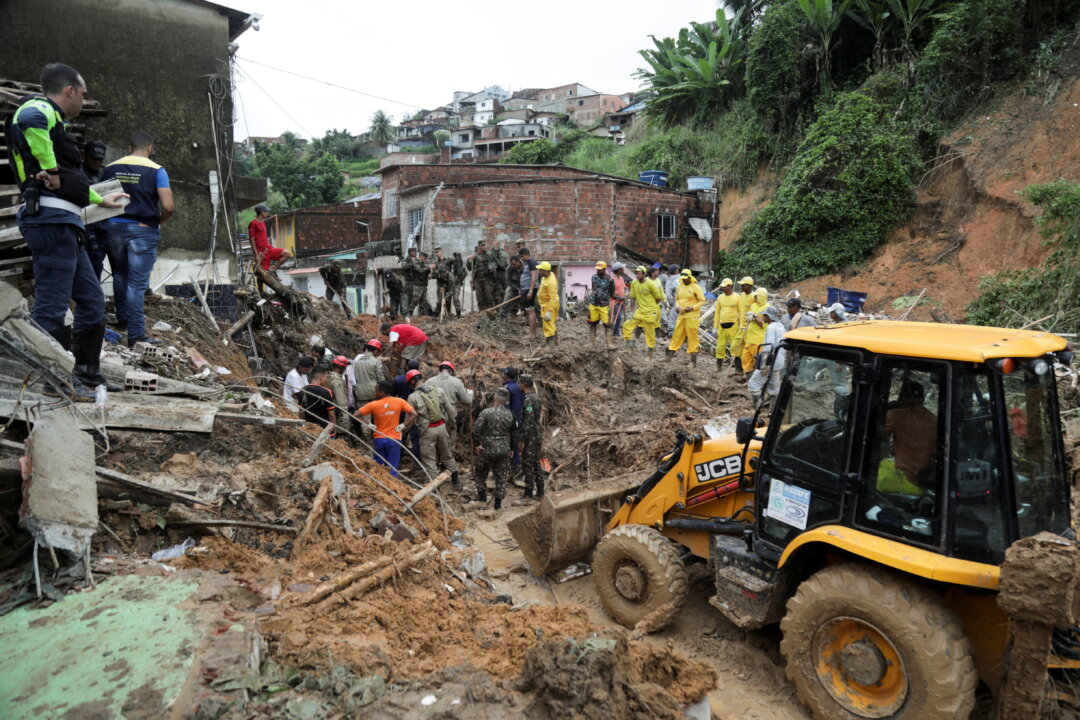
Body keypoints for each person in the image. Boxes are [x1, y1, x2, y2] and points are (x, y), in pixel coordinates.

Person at [6, 63, 128, 399]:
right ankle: (55, 382)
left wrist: (101, 199)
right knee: (52, 305)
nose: (83, 101)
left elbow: (72, 185)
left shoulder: (57, 123)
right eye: (82, 94)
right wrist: (51, 169)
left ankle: (87, 375)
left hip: (66, 224)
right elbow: (29, 121)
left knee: (91, 301)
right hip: (49, 221)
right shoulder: (39, 108)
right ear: (70, 90)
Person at [356, 380, 417, 477]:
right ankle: (393, 483)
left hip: (379, 438)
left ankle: (380, 483)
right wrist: (403, 425)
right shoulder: (399, 401)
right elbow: (414, 414)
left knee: (379, 467)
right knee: (392, 467)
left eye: (376, 390)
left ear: (382, 392)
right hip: (394, 439)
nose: (375, 392)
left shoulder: (373, 404)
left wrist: (369, 424)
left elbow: (357, 414)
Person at [406, 369, 459, 484]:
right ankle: (456, 480)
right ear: (421, 378)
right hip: (442, 427)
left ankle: (435, 488)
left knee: (429, 460)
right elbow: (451, 411)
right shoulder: (438, 390)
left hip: (427, 431)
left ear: (411, 382)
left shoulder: (412, 397)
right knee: (447, 455)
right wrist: (452, 423)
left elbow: (409, 419)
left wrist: (402, 431)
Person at [884, 381, 937, 490]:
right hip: (924, 481)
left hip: (902, 478)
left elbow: (876, 436)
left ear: (902, 398)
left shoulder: (896, 416)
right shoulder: (933, 420)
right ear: (922, 399)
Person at [472, 387, 516, 509]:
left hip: (488, 449)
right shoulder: (511, 414)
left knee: (479, 472)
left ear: (495, 398)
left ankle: (482, 498)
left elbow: (476, 430)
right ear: (506, 401)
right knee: (501, 476)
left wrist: (477, 445)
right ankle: (497, 504)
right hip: (504, 450)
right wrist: (511, 448)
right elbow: (514, 433)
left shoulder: (486, 413)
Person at [425, 360, 473, 446]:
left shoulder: (429, 381)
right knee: (449, 443)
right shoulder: (456, 382)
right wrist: (470, 394)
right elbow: (467, 401)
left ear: (440, 370)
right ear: (450, 371)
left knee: (433, 443)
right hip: (449, 416)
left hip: (432, 416)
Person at [747, 306, 787, 407]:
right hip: (779, 361)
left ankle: (757, 407)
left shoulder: (770, 328)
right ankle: (772, 410)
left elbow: (769, 347)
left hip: (770, 361)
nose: (762, 317)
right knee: (774, 388)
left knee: (753, 384)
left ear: (768, 316)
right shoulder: (781, 326)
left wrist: (765, 365)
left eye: (764, 316)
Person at [622, 265, 666, 355]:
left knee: (649, 332)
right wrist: (632, 311)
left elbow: (658, 298)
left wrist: (652, 307)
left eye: (639, 274)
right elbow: (632, 297)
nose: (637, 275)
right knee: (627, 325)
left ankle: (650, 352)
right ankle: (629, 346)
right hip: (640, 311)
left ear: (644, 274)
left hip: (650, 311)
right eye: (636, 274)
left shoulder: (650, 284)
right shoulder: (634, 283)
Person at [81, 140, 109, 279]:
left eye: (100, 159)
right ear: (86, 155)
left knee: (98, 262)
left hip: (102, 223)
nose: (97, 162)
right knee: (92, 261)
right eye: (94, 158)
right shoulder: (78, 172)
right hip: (85, 223)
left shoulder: (105, 173)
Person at [666, 269, 706, 364]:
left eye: (686, 278)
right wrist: (677, 307)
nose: (684, 280)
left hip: (692, 316)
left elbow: (702, 300)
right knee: (676, 334)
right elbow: (677, 299)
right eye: (683, 278)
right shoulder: (680, 286)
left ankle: (693, 362)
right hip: (682, 315)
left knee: (692, 337)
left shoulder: (696, 287)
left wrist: (693, 307)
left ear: (690, 277)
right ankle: (669, 357)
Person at [249, 204, 291, 285]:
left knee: (287, 254)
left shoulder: (263, 223)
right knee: (261, 274)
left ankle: (273, 269)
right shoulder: (253, 223)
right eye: (266, 212)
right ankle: (261, 291)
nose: (267, 213)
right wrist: (256, 255)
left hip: (268, 249)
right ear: (262, 212)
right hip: (261, 252)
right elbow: (251, 240)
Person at [517, 374, 544, 498]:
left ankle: (528, 493)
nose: (519, 385)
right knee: (536, 463)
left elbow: (528, 422)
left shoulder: (528, 400)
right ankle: (540, 491)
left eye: (520, 383)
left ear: (523, 385)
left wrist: (522, 440)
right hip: (537, 434)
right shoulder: (536, 397)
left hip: (530, 437)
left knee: (527, 464)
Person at [349, 339, 391, 416]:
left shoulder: (357, 361)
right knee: (378, 415)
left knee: (364, 417)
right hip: (374, 392)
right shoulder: (376, 362)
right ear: (375, 351)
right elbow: (381, 380)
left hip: (360, 393)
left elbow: (355, 378)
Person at [712, 278, 741, 370]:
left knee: (734, 347)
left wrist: (740, 326)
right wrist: (715, 327)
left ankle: (737, 369)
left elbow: (741, 312)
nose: (723, 289)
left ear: (730, 286)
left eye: (725, 287)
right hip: (722, 326)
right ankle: (719, 367)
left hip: (733, 326)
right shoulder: (720, 298)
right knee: (720, 347)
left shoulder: (737, 297)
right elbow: (717, 313)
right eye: (722, 287)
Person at [741, 288, 771, 374]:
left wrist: (754, 316)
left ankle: (757, 378)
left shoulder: (767, 308)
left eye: (756, 296)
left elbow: (762, 324)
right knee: (745, 358)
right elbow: (749, 318)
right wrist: (748, 317)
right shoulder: (753, 305)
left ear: (761, 297)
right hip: (749, 338)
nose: (754, 298)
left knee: (758, 361)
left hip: (758, 340)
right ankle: (747, 376)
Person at [587, 261, 615, 348]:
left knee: (607, 325)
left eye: (600, 270)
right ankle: (591, 343)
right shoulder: (593, 277)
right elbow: (593, 288)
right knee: (592, 324)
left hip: (604, 305)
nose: (598, 271)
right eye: (597, 269)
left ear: (604, 269)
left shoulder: (610, 279)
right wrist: (593, 297)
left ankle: (609, 344)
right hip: (594, 304)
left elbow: (612, 293)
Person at [732, 276, 755, 369]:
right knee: (735, 347)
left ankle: (747, 370)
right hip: (741, 327)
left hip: (749, 328)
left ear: (749, 286)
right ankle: (738, 369)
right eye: (741, 285)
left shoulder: (754, 297)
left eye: (743, 285)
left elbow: (756, 310)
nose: (741, 287)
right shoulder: (742, 295)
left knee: (748, 350)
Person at [327, 355, 351, 435]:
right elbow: (341, 402)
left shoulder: (328, 376)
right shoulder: (337, 381)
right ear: (341, 367)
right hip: (338, 413)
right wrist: (345, 417)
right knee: (341, 436)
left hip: (330, 410)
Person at [536, 261, 559, 345]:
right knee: (550, 324)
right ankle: (554, 341)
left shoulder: (551, 282)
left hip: (549, 305)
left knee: (548, 324)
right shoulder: (547, 275)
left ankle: (550, 344)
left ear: (546, 271)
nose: (539, 272)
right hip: (545, 305)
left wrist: (549, 311)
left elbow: (553, 298)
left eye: (541, 270)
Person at [518, 248, 540, 336]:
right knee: (530, 310)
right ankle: (532, 332)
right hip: (526, 289)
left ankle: (532, 333)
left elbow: (534, 276)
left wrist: (530, 291)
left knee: (530, 310)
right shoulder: (528, 263)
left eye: (522, 256)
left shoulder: (532, 262)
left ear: (526, 255)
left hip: (529, 289)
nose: (522, 258)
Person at [432, 246, 457, 318]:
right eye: (435, 252)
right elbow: (436, 276)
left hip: (448, 284)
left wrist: (445, 298)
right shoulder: (436, 263)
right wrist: (440, 287)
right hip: (440, 284)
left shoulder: (448, 260)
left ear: (441, 251)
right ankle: (437, 315)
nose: (436, 254)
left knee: (447, 300)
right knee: (439, 300)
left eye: (437, 252)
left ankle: (448, 314)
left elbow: (451, 290)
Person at [663, 264, 681, 339]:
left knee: (673, 318)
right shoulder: (681, 278)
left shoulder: (671, 280)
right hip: (687, 301)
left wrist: (671, 302)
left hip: (677, 301)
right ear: (676, 270)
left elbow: (668, 293)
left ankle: (671, 333)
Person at [610, 262, 629, 330]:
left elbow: (623, 287)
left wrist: (626, 289)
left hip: (621, 301)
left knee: (619, 318)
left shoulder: (621, 278)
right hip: (615, 302)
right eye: (622, 268)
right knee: (618, 317)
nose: (623, 269)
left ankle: (616, 332)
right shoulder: (612, 280)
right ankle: (614, 332)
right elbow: (611, 294)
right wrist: (620, 297)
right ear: (619, 270)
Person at [451, 251, 467, 316]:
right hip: (451, 283)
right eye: (455, 260)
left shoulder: (461, 267)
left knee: (455, 298)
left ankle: (458, 312)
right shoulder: (452, 265)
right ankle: (450, 312)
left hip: (457, 284)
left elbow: (465, 273)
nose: (456, 261)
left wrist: (460, 280)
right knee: (450, 299)